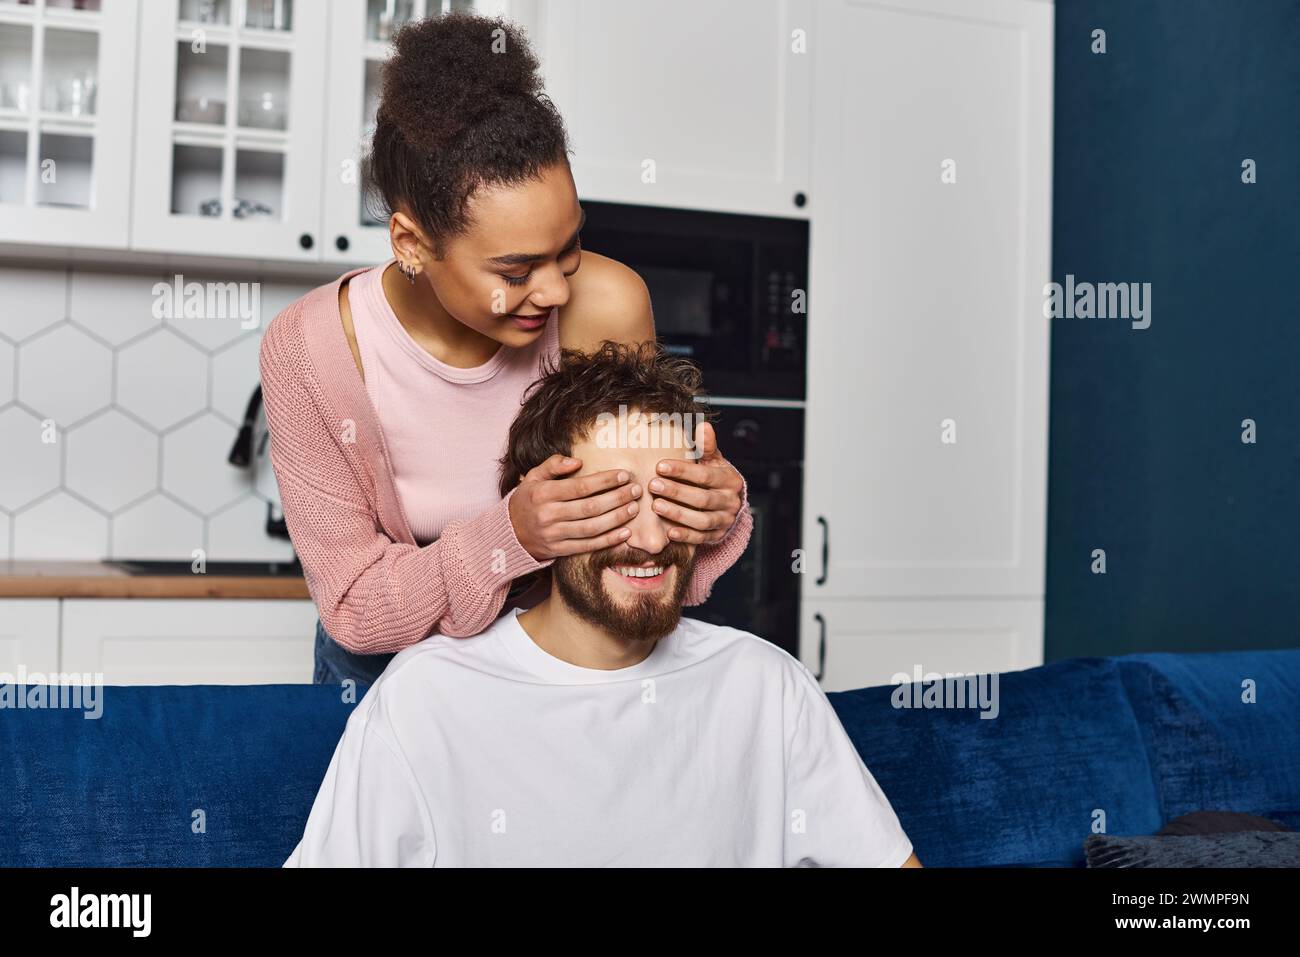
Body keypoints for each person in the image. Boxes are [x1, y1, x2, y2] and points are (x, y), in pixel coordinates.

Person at [284, 342, 921, 867]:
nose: (648, 540)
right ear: (537, 515)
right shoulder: (424, 700)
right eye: (608, 508)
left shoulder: (766, 685)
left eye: (669, 503)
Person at [258, 12, 751, 685]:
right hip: (383, 679)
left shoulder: (608, 305)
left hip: (554, 665)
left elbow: (638, 547)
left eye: (569, 245)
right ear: (410, 243)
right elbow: (355, 607)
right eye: (516, 272)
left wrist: (712, 510)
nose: (553, 291)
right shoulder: (309, 352)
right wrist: (510, 537)